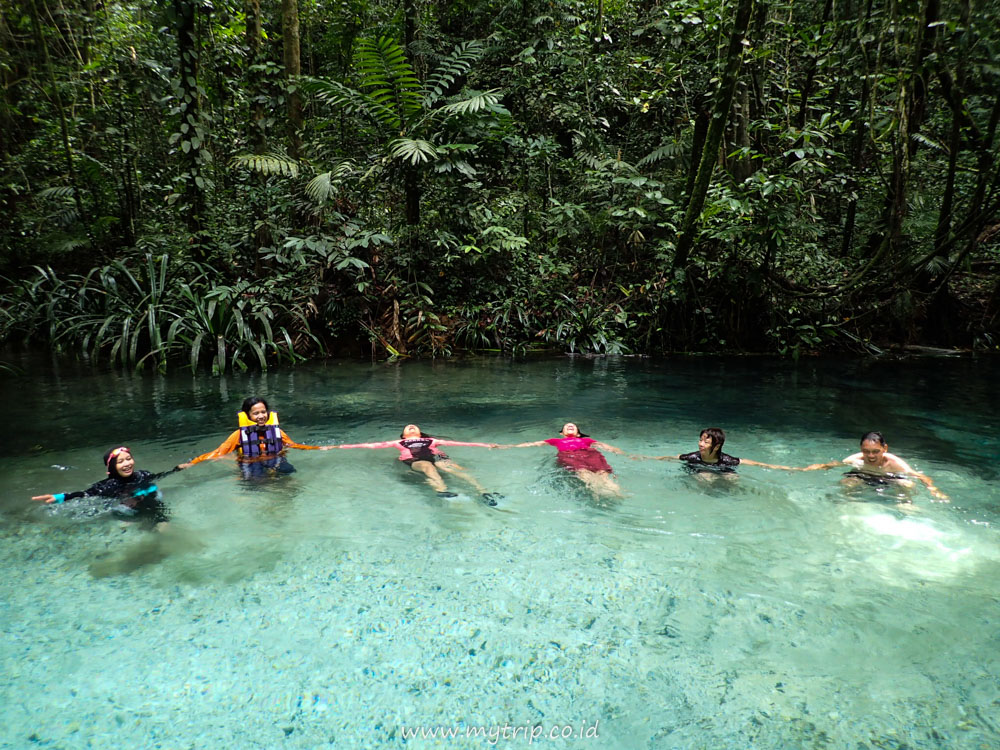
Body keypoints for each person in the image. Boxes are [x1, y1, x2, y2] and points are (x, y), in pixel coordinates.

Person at [334, 424, 502, 505]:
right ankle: (442, 491)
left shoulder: (431, 440)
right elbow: (370, 445)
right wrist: (338, 447)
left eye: (414, 427)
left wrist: (486, 445)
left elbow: (458, 443)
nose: (412, 427)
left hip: (437, 457)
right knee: (428, 467)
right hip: (415, 461)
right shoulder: (398, 443)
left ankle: (483, 491)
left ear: (421, 433)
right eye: (408, 428)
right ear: (404, 436)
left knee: (447, 467)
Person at [31, 446, 185, 524]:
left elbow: (157, 477)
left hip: (149, 503)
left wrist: (176, 469)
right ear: (111, 468)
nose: (127, 463)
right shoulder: (108, 485)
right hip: (126, 510)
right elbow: (85, 494)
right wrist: (60, 497)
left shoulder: (142, 474)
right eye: (120, 461)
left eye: (129, 459)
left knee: (161, 520)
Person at [187, 397, 332, 477]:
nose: (261, 416)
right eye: (256, 413)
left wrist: (318, 448)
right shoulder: (238, 435)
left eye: (263, 412)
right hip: (250, 462)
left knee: (289, 475)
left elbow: (293, 445)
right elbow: (218, 453)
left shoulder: (277, 432)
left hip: (275, 460)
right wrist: (193, 462)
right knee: (257, 487)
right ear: (247, 415)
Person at [800, 431, 949, 501]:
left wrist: (933, 490)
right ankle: (846, 504)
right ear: (861, 449)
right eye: (866, 451)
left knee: (907, 484)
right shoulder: (855, 459)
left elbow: (920, 476)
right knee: (847, 482)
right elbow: (829, 466)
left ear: (885, 449)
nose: (871, 456)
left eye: (875, 452)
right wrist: (802, 470)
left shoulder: (894, 463)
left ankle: (905, 506)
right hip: (863, 476)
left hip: (889, 478)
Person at [506, 422, 625, 499]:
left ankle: (617, 494)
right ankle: (599, 493)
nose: (570, 426)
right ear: (562, 433)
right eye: (567, 426)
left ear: (578, 434)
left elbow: (606, 446)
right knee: (584, 473)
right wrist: (506, 446)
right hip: (570, 455)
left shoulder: (587, 440)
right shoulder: (556, 440)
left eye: (573, 426)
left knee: (602, 474)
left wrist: (627, 454)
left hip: (591, 454)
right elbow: (533, 444)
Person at [640, 427, 795, 476]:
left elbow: (755, 463)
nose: (701, 444)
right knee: (704, 477)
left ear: (716, 446)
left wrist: (792, 469)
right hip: (700, 470)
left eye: (706, 442)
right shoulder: (693, 457)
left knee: (733, 479)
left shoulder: (726, 460)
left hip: (721, 470)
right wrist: (642, 458)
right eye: (701, 440)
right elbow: (668, 458)